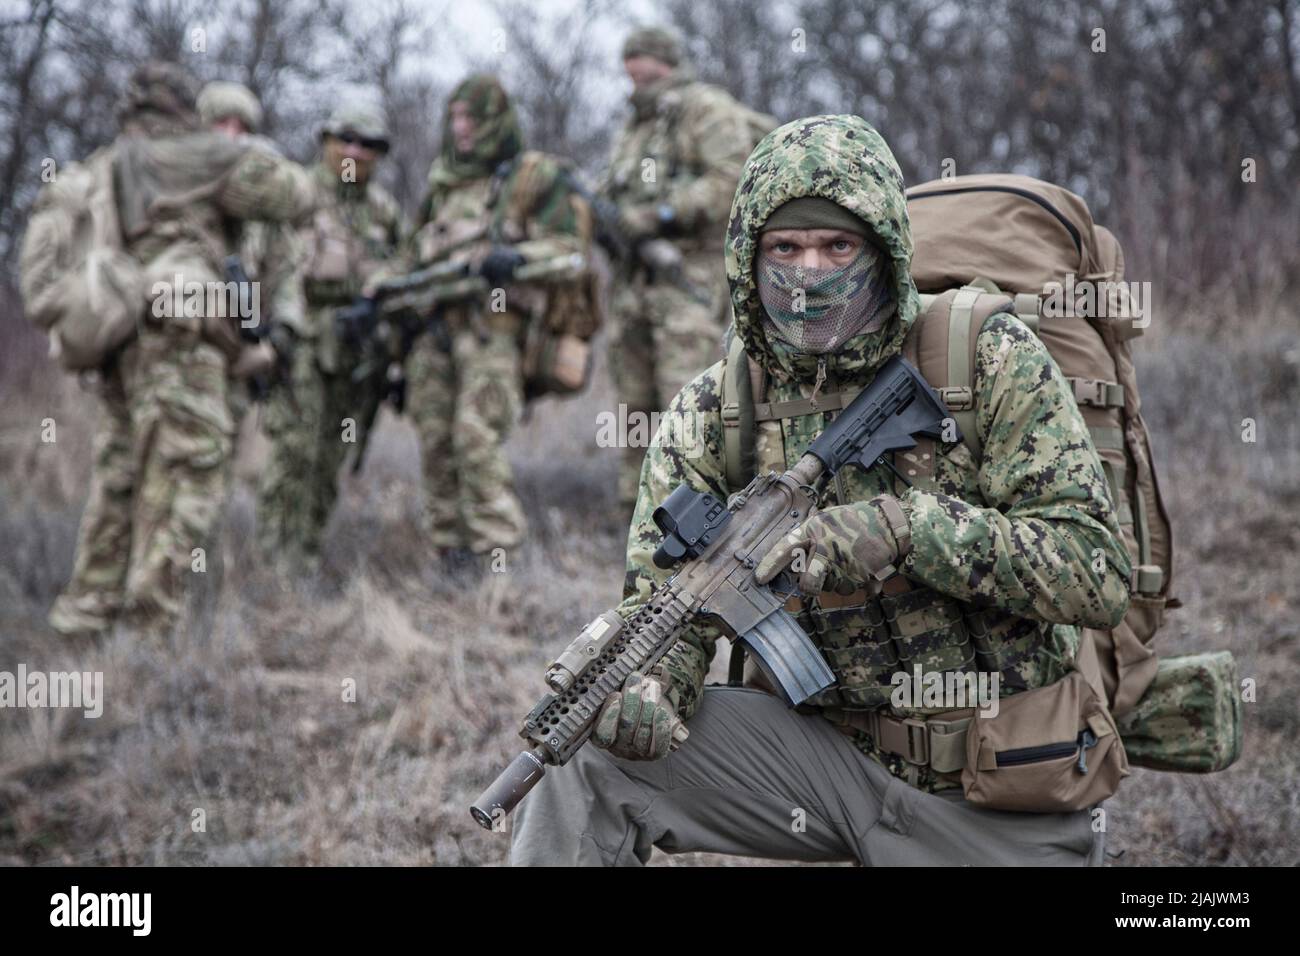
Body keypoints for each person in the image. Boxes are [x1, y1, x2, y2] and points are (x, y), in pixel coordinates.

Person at [510, 114, 1131, 866]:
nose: (811, 272)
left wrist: (908, 532)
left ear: (883, 251)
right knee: (582, 759)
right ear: (750, 258)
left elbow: (1098, 572)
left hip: (995, 785)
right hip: (818, 768)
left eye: (838, 246)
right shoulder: (717, 410)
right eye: (786, 248)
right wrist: (654, 683)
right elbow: (668, 604)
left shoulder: (986, 360)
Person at [47, 61, 316, 639]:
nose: (230, 135)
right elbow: (298, 193)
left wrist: (274, 340)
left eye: (241, 127)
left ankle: (87, 617)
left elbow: (286, 274)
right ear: (193, 119)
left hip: (138, 339)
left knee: (124, 477)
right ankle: (148, 632)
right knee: (182, 479)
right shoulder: (200, 165)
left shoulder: (114, 162)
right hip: (180, 343)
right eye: (220, 122)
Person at [404, 74, 590, 563]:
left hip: (495, 332)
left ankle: (499, 559)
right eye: (456, 117)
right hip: (435, 335)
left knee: (475, 437)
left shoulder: (528, 178)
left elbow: (571, 253)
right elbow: (411, 255)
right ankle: (451, 556)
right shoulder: (442, 184)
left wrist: (514, 259)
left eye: (472, 117)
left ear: (495, 120)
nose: (461, 128)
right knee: (436, 442)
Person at [600, 26, 775, 514]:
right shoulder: (637, 123)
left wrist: (659, 215)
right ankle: (632, 516)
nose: (634, 72)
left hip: (687, 282)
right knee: (631, 409)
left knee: (687, 406)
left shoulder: (705, 108)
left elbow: (730, 179)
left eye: (644, 62)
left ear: (669, 63)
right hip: (633, 285)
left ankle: (693, 516)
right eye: (629, 63)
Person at [255, 100, 404, 570]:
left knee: (331, 457)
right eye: (347, 140)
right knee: (295, 450)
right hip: (302, 344)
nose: (356, 153)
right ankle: (273, 561)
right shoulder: (297, 195)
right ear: (326, 142)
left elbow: (400, 271)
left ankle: (306, 554)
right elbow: (269, 265)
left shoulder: (383, 211)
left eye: (369, 145)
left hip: (357, 352)